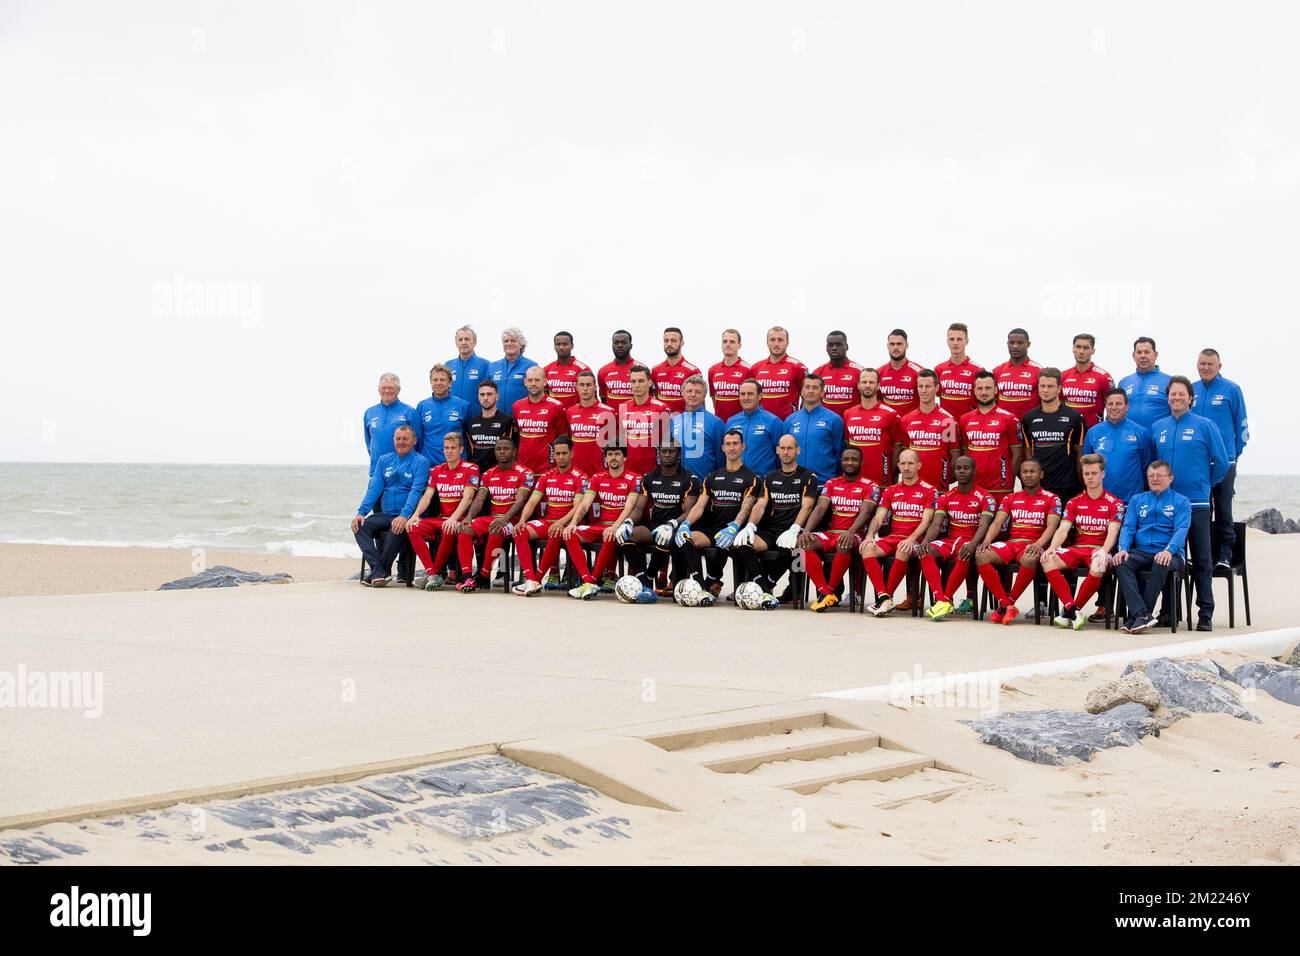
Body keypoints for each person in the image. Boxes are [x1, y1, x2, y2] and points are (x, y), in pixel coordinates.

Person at [1151, 376, 1230, 631]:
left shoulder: (1204, 425)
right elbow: (1154, 465)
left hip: (1197, 504)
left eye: (1181, 394)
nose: (1176, 398)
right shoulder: (1158, 427)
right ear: (1168, 397)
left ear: (1190, 397)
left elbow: (1222, 463)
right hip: (1167, 505)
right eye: (1172, 394)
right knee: (1168, 558)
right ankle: (1168, 611)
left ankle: (1205, 613)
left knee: (1202, 559)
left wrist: (1205, 484)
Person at [675, 429, 765, 605]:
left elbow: (747, 507)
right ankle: (700, 588)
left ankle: (711, 583)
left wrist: (734, 527)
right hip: (713, 530)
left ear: (743, 447)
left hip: (736, 532)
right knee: (685, 540)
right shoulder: (712, 477)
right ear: (722, 448)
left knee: (724, 543)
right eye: (728, 444)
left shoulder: (751, 478)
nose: (732, 448)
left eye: (735, 444)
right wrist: (685, 524)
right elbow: (699, 506)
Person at [1040, 453, 1124, 630]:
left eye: (1094, 473)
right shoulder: (1074, 502)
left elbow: (1113, 531)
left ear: (1103, 474)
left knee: (1099, 565)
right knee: (1047, 559)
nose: (1090, 477)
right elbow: (1063, 529)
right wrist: (1053, 548)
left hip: (1099, 550)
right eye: (1087, 474)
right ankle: (1072, 610)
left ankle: (1071, 609)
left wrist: (1104, 550)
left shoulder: (1114, 503)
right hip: (1077, 549)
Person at [973, 458, 1062, 625]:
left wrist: (1038, 544)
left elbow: (1052, 527)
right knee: (981, 555)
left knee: (1030, 558)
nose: (1028, 475)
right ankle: (1006, 604)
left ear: (1041, 474)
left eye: (1032, 471)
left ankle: (1010, 601)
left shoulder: (1052, 498)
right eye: (1024, 472)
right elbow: (998, 522)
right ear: (1020, 475)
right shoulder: (1010, 498)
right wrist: (987, 540)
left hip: (1034, 544)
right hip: (1012, 543)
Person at [1113, 461, 1192, 634]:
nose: (1155, 479)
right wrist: (1123, 548)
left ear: (1170, 478)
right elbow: (1128, 527)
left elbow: (1181, 529)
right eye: (1151, 476)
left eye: (1159, 476)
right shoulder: (1137, 500)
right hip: (1143, 551)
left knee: (1161, 561)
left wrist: (1168, 550)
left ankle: (1139, 615)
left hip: (1172, 554)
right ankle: (1142, 614)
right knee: (1120, 561)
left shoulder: (1182, 501)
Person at [798, 446, 881, 612]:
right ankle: (825, 592)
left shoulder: (871, 485)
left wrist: (850, 532)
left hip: (855, 535)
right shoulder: (832, 483)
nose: (849, 463)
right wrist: (806, 530)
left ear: (861, 462)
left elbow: (865, 513)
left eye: (854, 459)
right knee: (801, 545)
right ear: (841, 462)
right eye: (846, 459)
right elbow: (820, 508)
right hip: (831, 534)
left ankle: (829, 590)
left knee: (843, 543)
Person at [740, 433, 818, 605]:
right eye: (782, 448)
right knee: (743, 544)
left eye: (790, 448)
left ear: (797, 450)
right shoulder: (769, 477)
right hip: (772, 531)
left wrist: (795, 528)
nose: (786, 452)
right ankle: (764, 588)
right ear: (777, 450)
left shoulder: (808, 476)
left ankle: (766, 586)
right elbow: (760, 504)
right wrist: (750, 525)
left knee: (790, 547)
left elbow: (808, 506)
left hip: (794, 533)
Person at [620, 438, 702, 600]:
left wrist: (673, 524)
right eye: (663, 451)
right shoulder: (650, 477)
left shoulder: (689, 479)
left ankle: (649, 577)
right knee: (626, 534)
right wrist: (628, 521)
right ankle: (644, 582)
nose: (666, 454)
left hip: (677, 528)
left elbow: (689, 511)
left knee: (666, 537)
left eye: (671, 451)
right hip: (655, 526)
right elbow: (638, 509)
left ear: (678, 454)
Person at [859, 449, 937, 616]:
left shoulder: (929, 490)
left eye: (911, 463)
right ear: (898, 465)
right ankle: (884, 597)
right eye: (903, 463)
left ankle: (887, 597)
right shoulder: (891, 490)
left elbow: (927, 520)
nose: (906, 467)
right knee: (866, 547)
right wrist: (870, 535)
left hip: (915, 541)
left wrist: (911, 539)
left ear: (919, 465)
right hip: (892, 538)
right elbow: (879, 517)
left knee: (904, 548)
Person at [351, 425, 431, 587]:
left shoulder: (421, 462)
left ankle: (380, 571)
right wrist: (361, 512)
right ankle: (378, 570)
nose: (401, 442)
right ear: (393, 440)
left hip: (407, 516)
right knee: (360, 525)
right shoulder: (384, 460)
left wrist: (404, 515)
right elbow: (374, 488)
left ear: (414, 441)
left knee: (397, 526)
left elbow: (416, 491)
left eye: (405, 439)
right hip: (386, 515)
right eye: (398, 438)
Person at [510, 436, 590, 596]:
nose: (561, 457)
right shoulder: (547, 476)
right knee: (519, 530)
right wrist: (522, 520)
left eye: (564, 453)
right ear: (553, 455)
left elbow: (578, 507)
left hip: (568, 524)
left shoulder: (581, 477)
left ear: (572, 453)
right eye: (558, 453)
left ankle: (537, 579)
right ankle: (531, 580)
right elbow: (532, 501)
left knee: (556, 532)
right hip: (548, 522)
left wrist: (561, 523)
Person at [918, 455, 996, 621]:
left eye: (966, 468)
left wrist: (974, 543)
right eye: (958, 468)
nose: (962, 471)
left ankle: (944, 600)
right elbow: (936, 525)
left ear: (974, 471)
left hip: (971, 540)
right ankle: (941, 599)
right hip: (952, 540)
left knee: (964, 552)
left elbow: (984, 525)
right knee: (925, 551)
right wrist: (925, 541)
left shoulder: (985, 497)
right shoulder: (946, 496)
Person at [1193, 348, 1249, 568]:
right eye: (1202, 364)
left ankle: (1224, 555)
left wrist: (1232, 455)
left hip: (1225, 462)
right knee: (1201, 511)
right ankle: (1203, 555)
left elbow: (1242, 426)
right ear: (1197, 365)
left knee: (1224, 509)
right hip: (1198, 464)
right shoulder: (1192, 390)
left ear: (1219, 366)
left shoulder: (1231, 389)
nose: (1206, 368)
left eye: (1210, 364)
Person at [563, 445, 643, 600]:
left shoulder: (635, 478)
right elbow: (585, 505)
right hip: (600, 527)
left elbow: (629, 506)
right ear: (605, 458)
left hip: (620, 528)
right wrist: (573, 522)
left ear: (624, 457)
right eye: (610, 454)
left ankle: (592, 581)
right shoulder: (597, 477)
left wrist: (615, 526)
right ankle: (587, 581)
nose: (613, 457)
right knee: (570, 534)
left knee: (610, 534)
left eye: (617, 454)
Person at [457, 436, 535, 592]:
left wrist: (505, 519)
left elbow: (521, 501)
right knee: (464, 528)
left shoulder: (526, 473)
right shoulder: (488, 473)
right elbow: (479, 499)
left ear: (515, 451)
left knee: (496, 528)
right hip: (492, 518)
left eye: (506, 449)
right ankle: (467, 578)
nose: (502, 452)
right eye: (498, 449)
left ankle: (484, 575)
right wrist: (469, 517)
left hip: (513, 520)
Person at [406, 431, 480, 589]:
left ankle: (435, 572)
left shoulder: (471, 468)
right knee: (412, 527)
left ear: (461, 449)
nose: (449, 451)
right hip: (441, 518)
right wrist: (415, 515)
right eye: (446, 448)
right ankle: (432, 573)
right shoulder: (437, 470)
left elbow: (468, 498)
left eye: (453, 448)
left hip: (459, 519)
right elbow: (427, 496)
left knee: (449, 528)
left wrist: (453, 518)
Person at [1021, 368, 1087, 504]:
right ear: (1038, 387)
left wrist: (1082, 484)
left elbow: (1080, 453)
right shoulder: (1028, 418)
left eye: (1050, 386)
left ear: (1059, 389)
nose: (1045, 390)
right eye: (1042, 386)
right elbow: (1027, 454)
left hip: (1067, 487)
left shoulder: (1075, 417)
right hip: (1039, 487)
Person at [959, 370, 1022, 509]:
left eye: (988, 388)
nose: (984, 392)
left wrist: (1008, 479)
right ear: (974, 391)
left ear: (995, 390)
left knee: (999, 529)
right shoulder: (965, 419)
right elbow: (965, 451)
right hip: (974, 486)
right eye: (980, 388)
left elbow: (1017, 453)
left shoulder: (1009, 418)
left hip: (1000, 487)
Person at [1082, 388, 1155, 504]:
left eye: (1119, 403)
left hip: (1132, 503)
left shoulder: (1141, 432)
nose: (1114, 407)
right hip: (1100, 502)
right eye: (1110, 404)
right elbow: (1086, 467)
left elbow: (1148, 467)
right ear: (1105, 406)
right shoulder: (1093, 432)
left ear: (1127, 406)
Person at [899, 369, 960, 491]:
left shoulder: (948, 420)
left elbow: (954, 455)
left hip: (939, 488)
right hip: (912, 489)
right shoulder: (906, 420)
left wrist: (946, 479)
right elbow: (905, 453)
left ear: (937, 388)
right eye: (920, 386)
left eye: (928, 386)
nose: (923, 390)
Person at [843, 367, 902, 487]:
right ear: (858, 385)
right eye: (864, 382)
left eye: (871, 382)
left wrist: (889, 473)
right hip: (855, 481)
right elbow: (847, 446)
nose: (868, 385)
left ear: (878, 385)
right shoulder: (848, 413)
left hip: (881, 481)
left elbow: (898, 448)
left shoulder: (891, 414)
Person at [783, 374, 845, 485]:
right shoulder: (790, 420)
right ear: (801, 391)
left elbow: (839, 452)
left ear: (822, 393)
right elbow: (783, 452)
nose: (810, 391)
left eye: (815, 388)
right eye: (807, 387)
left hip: (823, 483)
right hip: (794, 483)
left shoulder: (834, 419)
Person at [511, 365, 568, 474]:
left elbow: (563, 437)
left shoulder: (557, 406)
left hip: (548, 468)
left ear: (545, 381)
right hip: (523, 468)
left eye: (537, 380)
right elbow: (519, 434)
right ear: (525, 382)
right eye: (530, 380)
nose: (533, 383)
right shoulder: (517, 406)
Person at [618, 364, 671, 476]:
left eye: (641, 381)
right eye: (633, 381)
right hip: (628, 472)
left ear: (649, 382)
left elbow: (667, 442)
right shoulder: (623, 407)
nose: (637, 385)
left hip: (653, 471)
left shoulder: (661, 408)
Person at [670, 375, 726, 478]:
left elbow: (721, 459)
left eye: (698, 392)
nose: (693, 395)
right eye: (689, 391)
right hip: (677, 485)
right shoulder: (674, 421)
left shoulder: (716, 423)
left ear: (704, 396)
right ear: (683, 393)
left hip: (704, 485)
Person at [726, 380, 783, 477]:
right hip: (736, 481)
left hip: (763, 482)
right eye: (742, 394)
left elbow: (781, 454)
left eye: (750, 394)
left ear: (760, 396)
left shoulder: (773, 421)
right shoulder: (731, 421)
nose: (746, 398)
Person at [413, 364, 469, 464]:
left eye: (442, 380)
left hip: (455, 468)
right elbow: (418, 438)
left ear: (450, 382)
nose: (438, 383)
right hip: (429, 467)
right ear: (430, 382)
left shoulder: (463, 405)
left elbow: (468, 437)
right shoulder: (422, 406)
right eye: (435, 380)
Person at [363, 373, 418, 474]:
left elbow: (418, 443)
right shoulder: (369, 413)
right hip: (376, 471)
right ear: (379, 390)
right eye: (384, 388)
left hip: (402, 472)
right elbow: (369, 443)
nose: (387, 391)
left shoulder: (410, 412)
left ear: (398, 390)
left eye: (391, 388)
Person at [565, 370, 617, 477]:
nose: (585, 389)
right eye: (581, 385)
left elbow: (614, 445)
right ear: (576, 388)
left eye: (588, 385)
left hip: (601, 472)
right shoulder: (570, 412)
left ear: (595, 387)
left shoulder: (608, 412)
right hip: (576, 473)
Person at [463, 380, 519, 473]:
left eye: (489, 394)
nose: (485, 398)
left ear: (497, 397)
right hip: (476, 475)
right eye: (482, 394)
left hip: (499, 474)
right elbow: (469, 452)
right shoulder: (470, 423)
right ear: (478, 397)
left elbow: (513, 451)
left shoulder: (507, 421)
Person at [749, 326, 806, 418]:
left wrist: (800, 418)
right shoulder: (756, 368)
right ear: (767, 342)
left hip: (787, 423)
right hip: (761, 423)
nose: (776, 343)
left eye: (780, 340)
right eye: (772, 340)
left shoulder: (798, 367)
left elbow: (807, 396)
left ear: (787, 342)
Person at [1060, 333, 1113, 428]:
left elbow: (1113, 406)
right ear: (1073, 349)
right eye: (1078, 347)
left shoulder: (1104, 376)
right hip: (1068, 432)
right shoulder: (1063, 376)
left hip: (1094, 433)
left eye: (1086, 348)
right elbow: (1058, 404)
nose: (1081, 351)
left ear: (1093, 351)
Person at [1118, 336, 1172, 428]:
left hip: (1157, 439)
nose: (1143, 356)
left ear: (1155, 355)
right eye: (1139, 352)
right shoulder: (1124, 382)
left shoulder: (1170, 381)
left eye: (1147, 352)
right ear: (1133, 356)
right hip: (1128, 439)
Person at [935, 322, 984, 421]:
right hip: (946, 425)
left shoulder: (978, 370)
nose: (955, 343)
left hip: (970, 424)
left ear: (967, 341)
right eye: (952, 339)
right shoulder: (939, 370)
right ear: (947, 341)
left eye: (959, 339)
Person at [991, 328, 1041, 420]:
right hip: (1003, 426)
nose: (1015, 346)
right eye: (1012, 342)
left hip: (1030, 425)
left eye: (1020, 343)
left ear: (1028, 344)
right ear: (1007, 344)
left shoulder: (1039, 371)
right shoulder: (997, 371)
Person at [813, 330, 864, 418]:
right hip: (825, 425)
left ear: (847, 347)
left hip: (851, 424)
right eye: (831, 345)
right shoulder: (818, 372)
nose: (834, 348)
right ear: (826, 348)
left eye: (838, 344)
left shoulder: (860, 372)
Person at [488, 327, 539, 412]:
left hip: (522, 416)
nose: (509, 343)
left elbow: (538, 393)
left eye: (513, 340)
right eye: (506, 341)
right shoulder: (493, 366)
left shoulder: (531, 366)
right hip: (497, 418)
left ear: (521, 344)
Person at [651, 327, 700, 414]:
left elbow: (699, 402)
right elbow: (652, 397)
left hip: (684, 422)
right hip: (662, 422)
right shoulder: (655, 370)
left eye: (673, 340)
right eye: (666, 341)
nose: (669, 344)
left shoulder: (692, 371)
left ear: (682, 343)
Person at [877, 329, 924, 417]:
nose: (895, 347)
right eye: (892, 344)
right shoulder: (878, 373)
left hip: (911, 426)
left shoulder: (919, 373)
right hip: (887, 426)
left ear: (907, 345)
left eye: (899, 344)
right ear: (887, 346)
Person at [447, 325, 492, 417]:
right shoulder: (448, 365)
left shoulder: (485, 365)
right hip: (453, 418)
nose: (463, 342)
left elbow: (492, 393)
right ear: (456, 342)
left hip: (477, 418)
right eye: (460, 339)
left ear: (474, 342)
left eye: (467, 339)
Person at [708, 328, 751, 422]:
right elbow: (714, 398)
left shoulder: (748, 370)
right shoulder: (713, 370)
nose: (727, 344)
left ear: (739, 345)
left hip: (742, 422)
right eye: (725, 341)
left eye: (732, 342)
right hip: (719, 422)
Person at [543, 331, 590, 409]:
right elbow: (543, 396)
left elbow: (591, 397)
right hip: (553, 416)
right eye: (558, 344)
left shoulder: (583, 369)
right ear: (554, 346)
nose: (561, 347)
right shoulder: (547, 369)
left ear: (572, 346)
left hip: (575, 416)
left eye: (565, 344)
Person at [597, 329, 640, 411]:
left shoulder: (642, 370)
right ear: (612, 345)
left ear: (631, 346)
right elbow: (603, 400)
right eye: (616, 343)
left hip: (635, 420)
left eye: (624, 342)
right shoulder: (603, 371)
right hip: (611, 420)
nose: (620, 345)